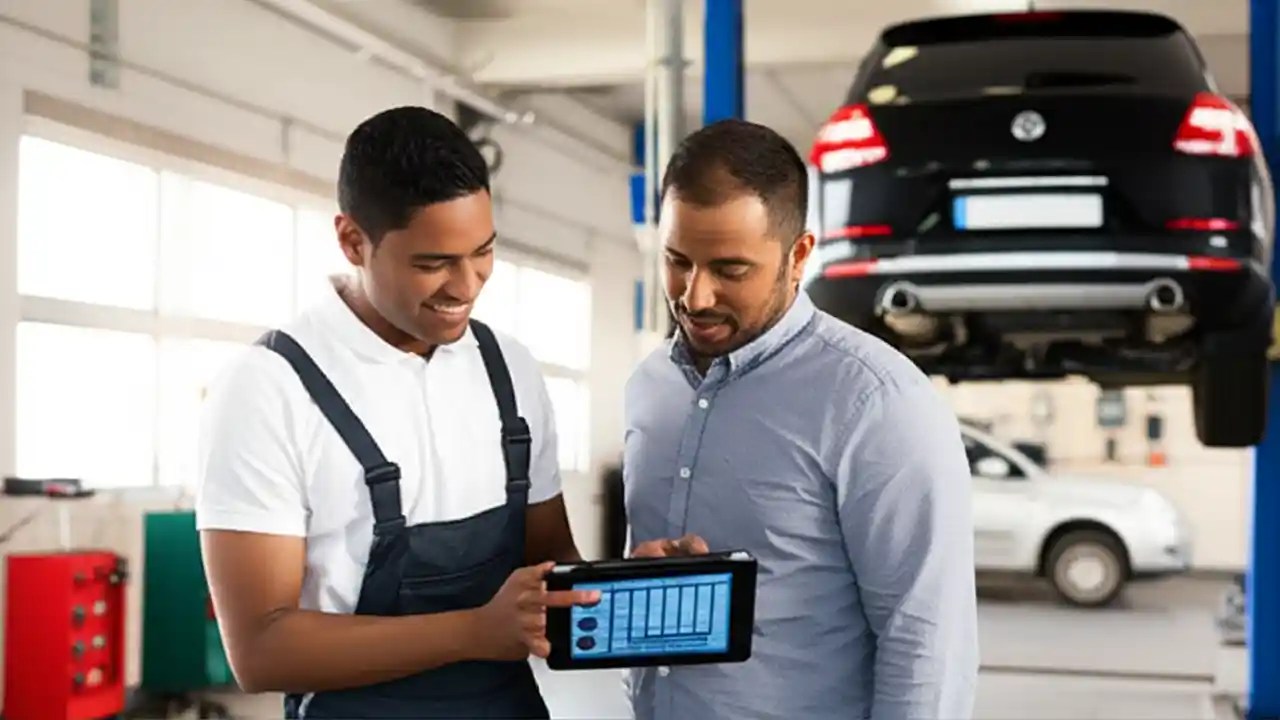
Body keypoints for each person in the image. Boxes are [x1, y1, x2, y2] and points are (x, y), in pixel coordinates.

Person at [194, 106, 598, 720]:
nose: (467, 286)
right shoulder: (269, 388)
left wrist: (632, 588)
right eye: (433, 263)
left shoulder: (509, 370)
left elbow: (550, 572)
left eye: (483, 253)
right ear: (353, 240)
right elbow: (259, 649)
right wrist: (473, 631)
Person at [623, 119, 979, 720]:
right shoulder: (650, 388)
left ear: (799, 256)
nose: (696, 296)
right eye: (678, 261)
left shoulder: (877, 403)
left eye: (731, 270)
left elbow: (926, 642)